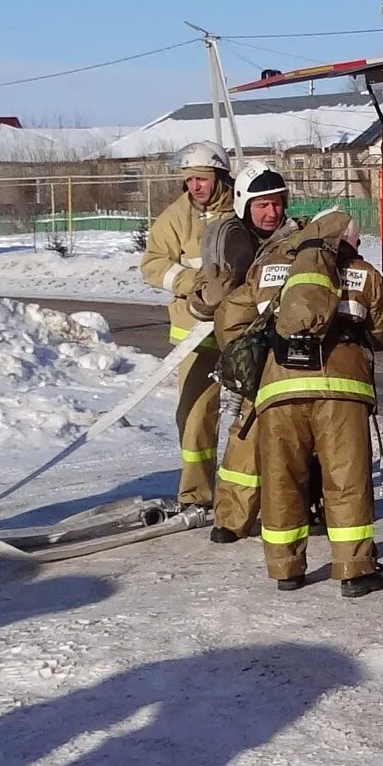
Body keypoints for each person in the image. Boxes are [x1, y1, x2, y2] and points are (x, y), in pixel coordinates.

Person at [242, 207, 383, 597]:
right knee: (346, 480)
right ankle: (354, 569)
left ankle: (286, 569)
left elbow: (231, 318)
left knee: (282, 479)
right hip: (342, 392)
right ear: (347, 239)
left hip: (279, 392)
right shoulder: (364, 275)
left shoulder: (270, 269)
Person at [193, 167, 288, 543]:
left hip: (286, 354)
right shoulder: (232, 243)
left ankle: (309, 507)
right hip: (254, 358)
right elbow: (210, 302)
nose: (272, 213)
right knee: (246, 434)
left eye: (278, 204)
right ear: (245, 206)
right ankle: (231, 518)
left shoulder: (294, 243)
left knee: (299, 438)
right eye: (263, 205)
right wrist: (206, 298)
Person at [139, 141, 232, 509]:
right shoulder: (175, 218)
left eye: (203, 179)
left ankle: (257, 491)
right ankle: (196, 494)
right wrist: (190, 281)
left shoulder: (241, 211)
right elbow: (152, 265)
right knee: (195, 417)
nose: (195, 186)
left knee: (255, 414)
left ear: (220, 178)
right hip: (196, 335)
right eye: (190, 179)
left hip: (242, 332)